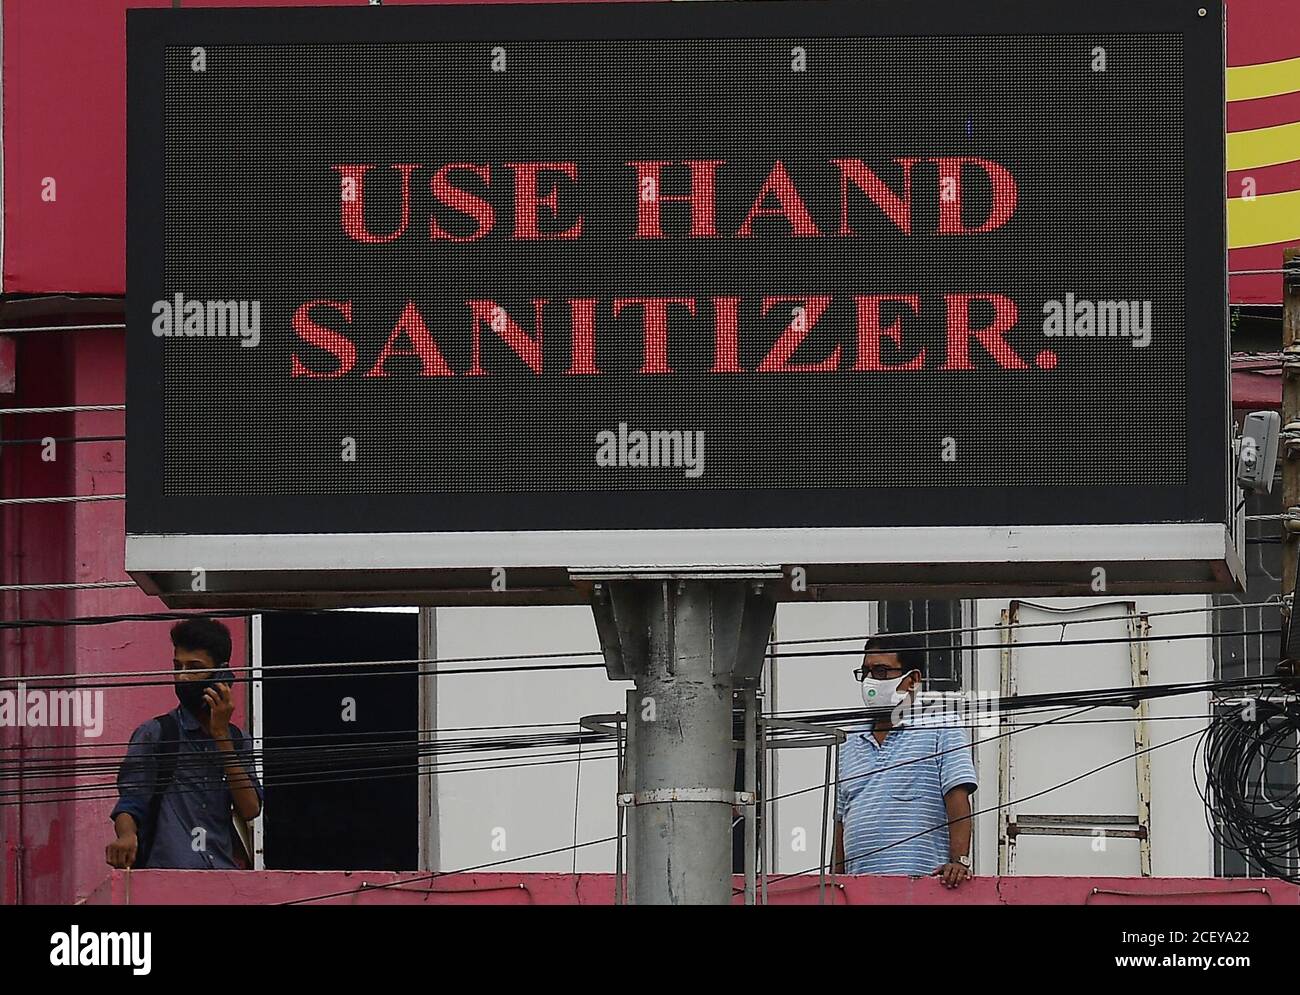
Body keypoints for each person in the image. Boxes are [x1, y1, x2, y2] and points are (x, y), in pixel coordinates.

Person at [106, 618, 262, 869]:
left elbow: (250, 808)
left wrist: (221, 735)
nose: (183, 677)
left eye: (194, 667)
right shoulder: (156, 734)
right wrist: (126, 836)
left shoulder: (237, 740)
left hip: (223, 876)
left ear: (221, 674)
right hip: (166, 873)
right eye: (177, 666)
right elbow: (131, 802)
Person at [832, 634, 977, 888]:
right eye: (865, 672)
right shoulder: (849, 739)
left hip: (922, 888)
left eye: (881, 671)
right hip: (858, 891)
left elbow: (958, 799)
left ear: (912, 680)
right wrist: (834, 885)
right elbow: (841, 824)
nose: (870, 681)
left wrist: (960, 861)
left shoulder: (941, 724)